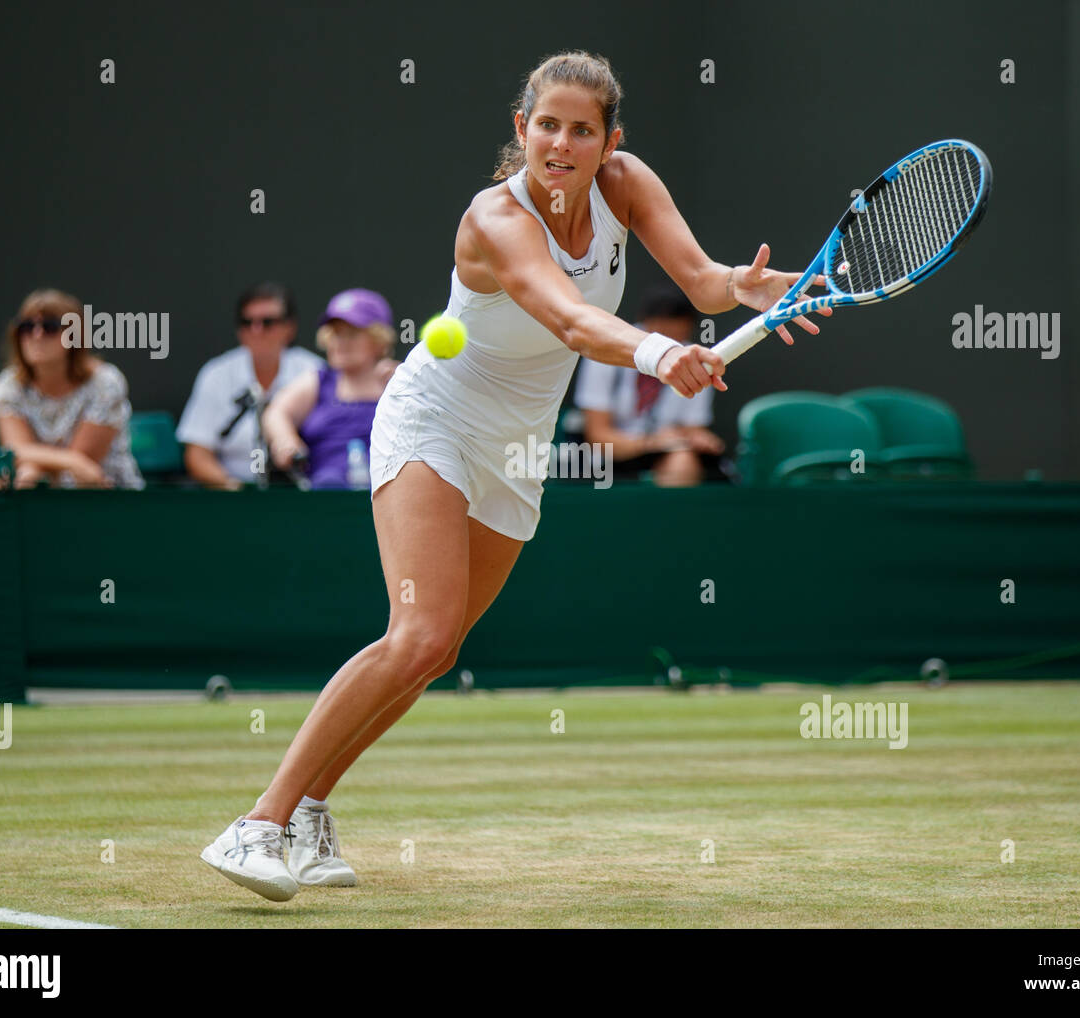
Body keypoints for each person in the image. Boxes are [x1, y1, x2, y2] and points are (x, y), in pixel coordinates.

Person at [201, 50, 829, 900]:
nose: (562, 144)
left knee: (439, 647)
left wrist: (745, 290)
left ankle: (310, 811)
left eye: (582, 129)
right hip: (434, 421)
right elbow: (569, 317)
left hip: (516, 449)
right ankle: (258, 824)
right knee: (417, 633)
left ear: (611, 141)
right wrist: (660, 354)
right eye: (547, 125)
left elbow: (703, 280)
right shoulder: (494, 219)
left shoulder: (627, 183)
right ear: (521, 130)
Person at [0, 289, 144, 490]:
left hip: (110, 497)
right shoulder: (9, 385)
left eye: (50, 327)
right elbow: (16, 451)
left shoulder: (105, 383)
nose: (37, 335)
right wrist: (64, 463)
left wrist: (33, 465)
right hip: (46, 501)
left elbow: (85, 465)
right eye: (27, 327)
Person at [575, 284, 727, 486]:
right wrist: (650, 443)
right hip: (608, 457)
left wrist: (698, 439)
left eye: (676, 341)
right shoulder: (605, 354)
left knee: (683, 462)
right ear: (646, 325)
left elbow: (692, 429)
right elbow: (598, 436)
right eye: (662, 338)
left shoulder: (696, 360)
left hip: (666, 453)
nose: (669, 351)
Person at [176, 282, 323, 489]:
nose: (256, 330)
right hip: (233, 497)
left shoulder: (314, 371)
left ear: (289, 327)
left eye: (268, 322)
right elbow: (197, 452)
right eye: (247, 322)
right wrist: (232, 487)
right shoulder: (216, 374)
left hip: (303, 493)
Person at [263, 289, 397, 489]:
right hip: (323, 500)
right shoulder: (318, 381)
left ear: (379, 341)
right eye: (334, 334)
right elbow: (276, 413)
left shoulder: (398, 381)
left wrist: (404, 384)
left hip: (384, 498)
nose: (339, 343)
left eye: (352, 334)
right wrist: (285, 441)